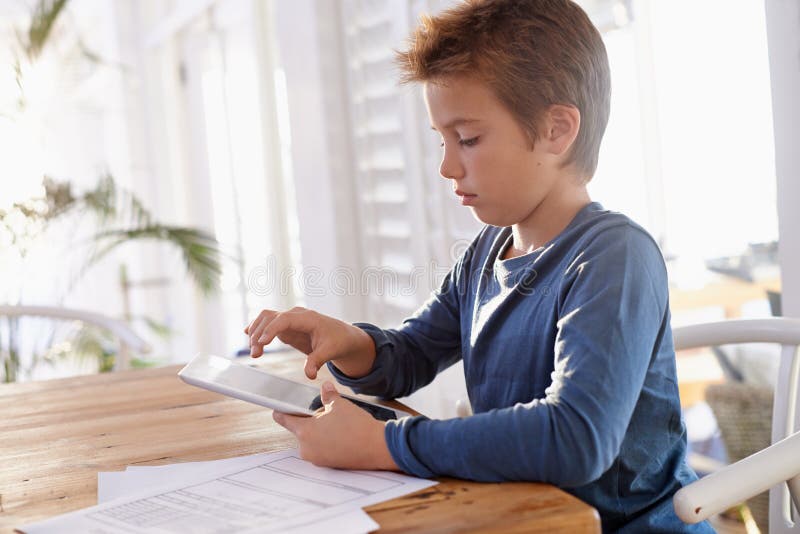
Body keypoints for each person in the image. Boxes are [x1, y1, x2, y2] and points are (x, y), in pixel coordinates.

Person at [244, 0, 713, 531]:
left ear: (557, 131)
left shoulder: (615, 259)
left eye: (467, 139)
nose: (446, 166)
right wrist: (351, 344)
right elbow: (414, 354)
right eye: (442, 141)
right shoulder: (487, 252)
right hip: (521, 517)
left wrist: (383, 444)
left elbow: (575, 438)